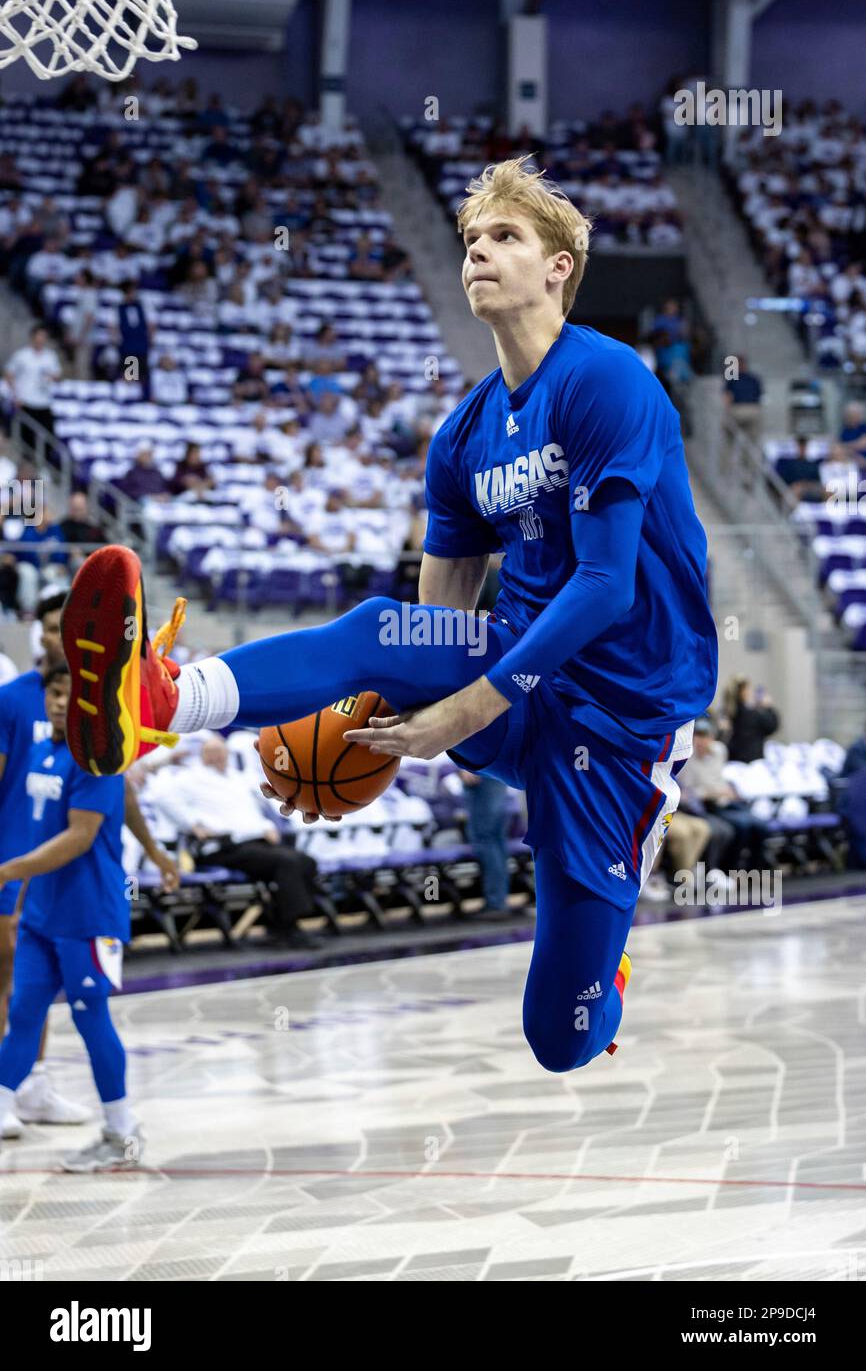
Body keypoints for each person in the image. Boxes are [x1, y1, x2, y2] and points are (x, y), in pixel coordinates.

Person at [60, 155, 719, 1073]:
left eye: (505, 238)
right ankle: (162, 700)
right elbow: (435, 619)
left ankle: (603, 982)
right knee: (381, 627)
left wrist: (466, 710)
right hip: (518, 685)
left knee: (559, 1040)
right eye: (471, 240)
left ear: (559, 265)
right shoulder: (462, 438)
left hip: (623, 722)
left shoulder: (608, 382)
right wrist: (379, 724)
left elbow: (606, 587)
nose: (479, 254)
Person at [0, 665, 141, 1170]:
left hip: (88, 916)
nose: (60, 703)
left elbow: (79, 837)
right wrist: (19, 898)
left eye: (72, 695)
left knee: (90, 1017)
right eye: (56, 694)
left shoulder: (100, 761)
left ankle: (122, 1132)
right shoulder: (41, 751)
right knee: (22, 1014)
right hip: (41, 913)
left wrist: (6, 872)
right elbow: (39, 833)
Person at [153, 735, 321, 950]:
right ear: (203, 755)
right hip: (221, 847)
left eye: (220, 751)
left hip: (254, 843)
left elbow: (249, 811)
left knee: (306, 861)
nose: (217, 756)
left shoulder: (236, 777)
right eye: (211, 752)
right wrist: (192, 824)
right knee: (286, 862)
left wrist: (266, 826)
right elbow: (161, 798)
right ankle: (289, 927)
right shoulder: (190, 778)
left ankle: (281, 924)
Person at [677, 717, 770, 872]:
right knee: (741, 826)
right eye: (697, 736)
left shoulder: (719, 751)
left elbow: (720, 778)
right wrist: (713, 792)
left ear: (711, 737)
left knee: (760, 825)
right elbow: (688, 792)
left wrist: (729, 790)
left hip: (726, 800)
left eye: (704, 736)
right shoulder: (687, 757)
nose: (700, 740)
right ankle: (730, 871)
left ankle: (754, 871)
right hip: (706, 805)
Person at [458, 769, 511, 918]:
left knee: (486, 839)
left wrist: (468, 766)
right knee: (495, 839)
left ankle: (496, 902)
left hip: (481, 770)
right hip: (493, 769)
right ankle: (498, 900)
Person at [4, 325, 62, 448]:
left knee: (47, 437)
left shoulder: (50, 356)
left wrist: (51, 377)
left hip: (44, 402)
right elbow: (9, 374)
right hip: (26, 401)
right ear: (33, 337)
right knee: (27, 438)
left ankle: (43, 462)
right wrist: (15, 395)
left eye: (44, 337)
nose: (41, 339)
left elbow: (57, 376)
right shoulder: (22, 355)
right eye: (39, 336)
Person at [723, 678, 779, 763]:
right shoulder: (750, 714)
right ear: (743, 692)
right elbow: (771, 726)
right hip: (751, 762)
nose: (750, 692)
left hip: (733, 760)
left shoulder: (728, 712)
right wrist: (768, 708)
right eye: (748, 689)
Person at [722, 355, 764, 448]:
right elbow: (760, 396)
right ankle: (750, 460)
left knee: (728, 437)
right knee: (752, 441)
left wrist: (726, 413)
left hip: (738, 410)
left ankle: (728, 459)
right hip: (753, 410)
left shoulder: (732, 379)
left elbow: (727, 397)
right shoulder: (754, 378)